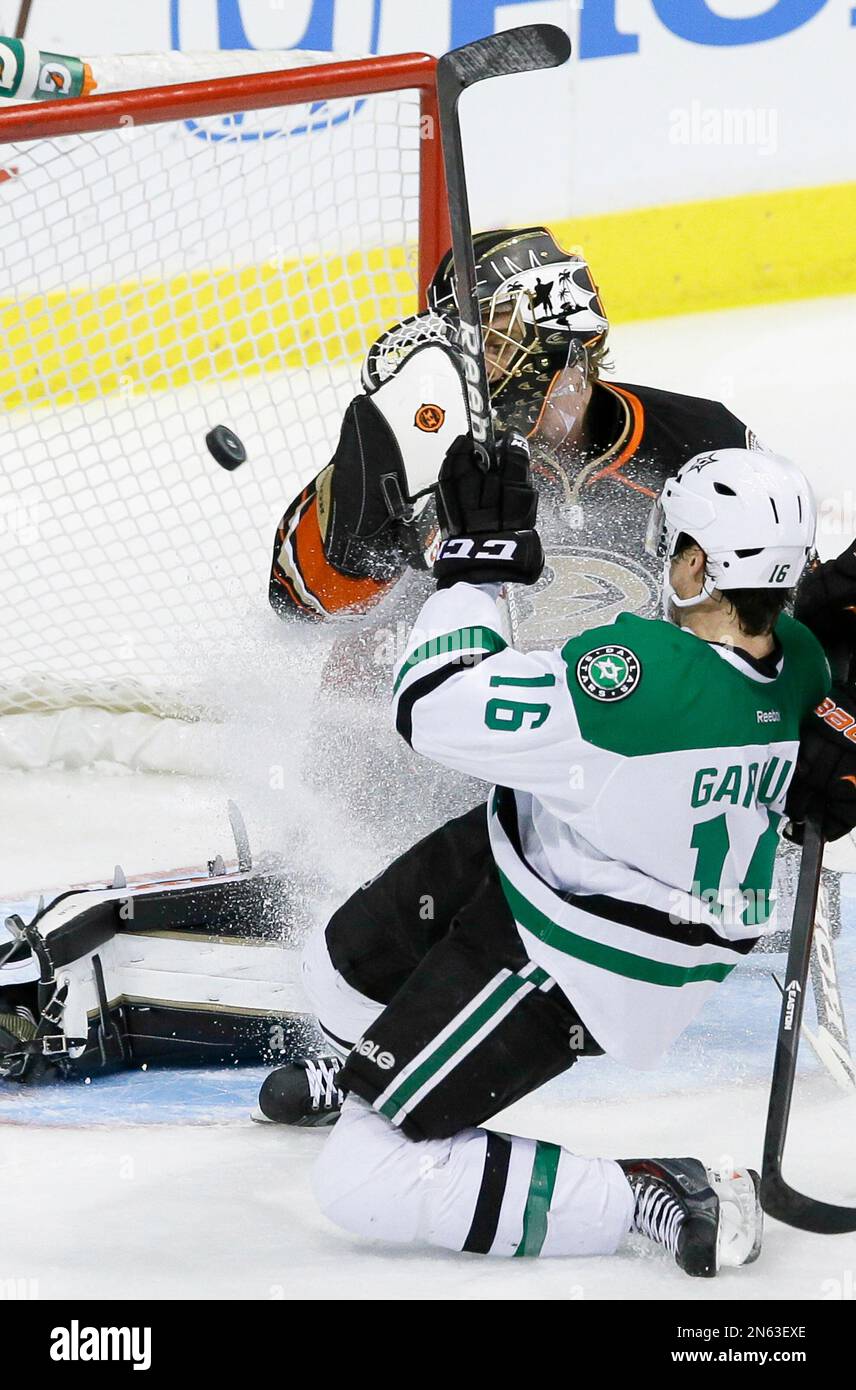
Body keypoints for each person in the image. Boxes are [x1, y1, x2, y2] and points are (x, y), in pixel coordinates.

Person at [266, 437, 838, 1276]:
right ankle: (373, 1062)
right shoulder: (802, 664)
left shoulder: (641, 682)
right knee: (336, 973)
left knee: (366, 1177)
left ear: (697, 568)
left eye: (672, 540)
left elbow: (433, 704)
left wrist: (477, 573)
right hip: (580, 856)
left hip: (589, 950)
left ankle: (650, 1189)